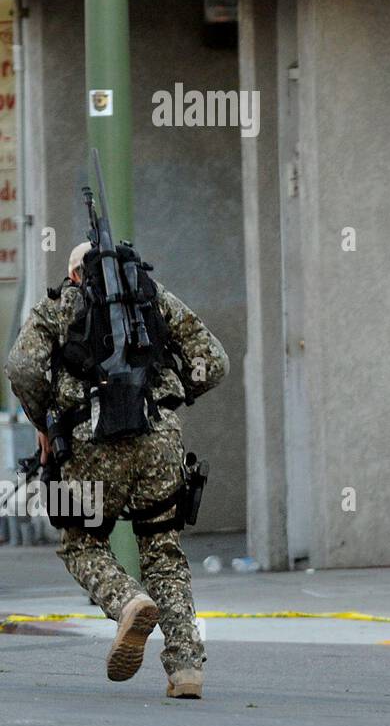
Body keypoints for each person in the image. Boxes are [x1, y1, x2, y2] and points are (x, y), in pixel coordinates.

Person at [5, 240, 227, 698]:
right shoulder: (154, 299)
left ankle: (129, 602)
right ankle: (186, 668)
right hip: (159, 442)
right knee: (163, 552)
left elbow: (22, 367)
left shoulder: (59, 306)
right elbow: (214, 363)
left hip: (88, 447)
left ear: (74, 276)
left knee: (80, 542)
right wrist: (170, 397)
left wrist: (47, 419)